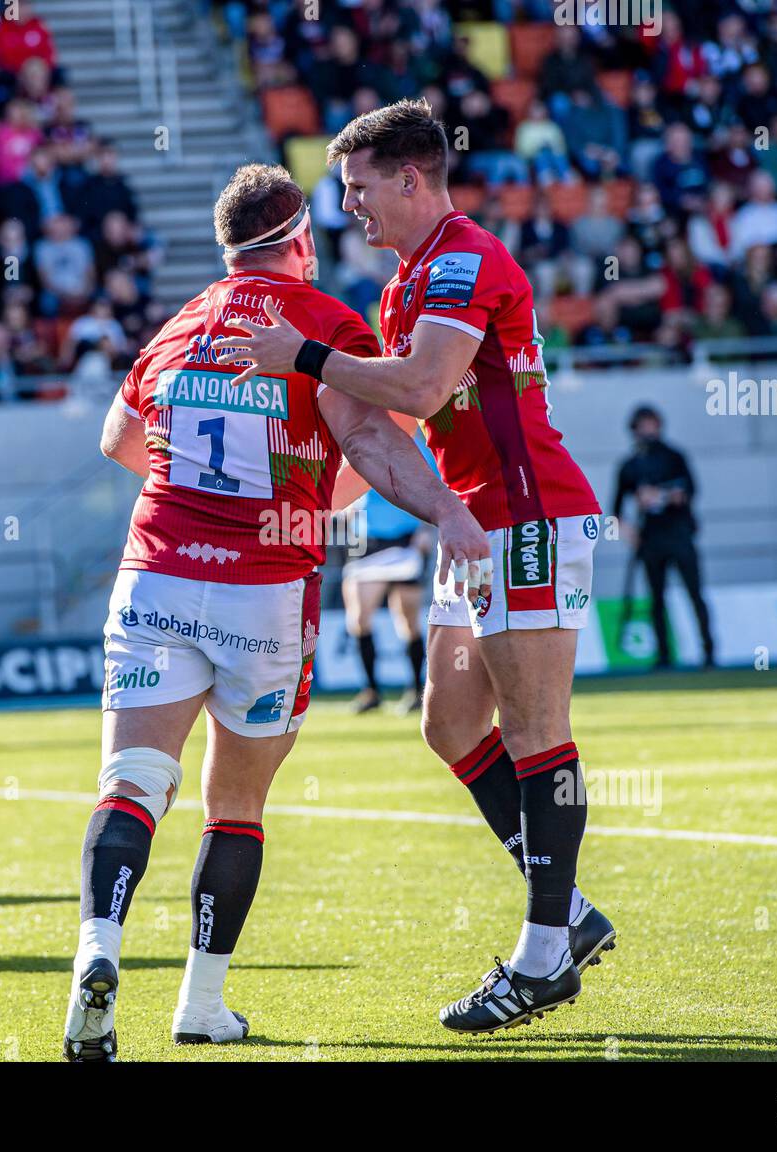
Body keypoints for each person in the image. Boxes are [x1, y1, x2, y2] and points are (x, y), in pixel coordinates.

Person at [63, 163, 489, 1062]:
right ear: (299, 240)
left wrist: (202, 496)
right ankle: (201, 1003)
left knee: (132, 785)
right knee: (236, 804)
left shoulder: (179, 325)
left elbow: (118, 441)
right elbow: (370, 440)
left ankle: (96, 955)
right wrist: (446, 509)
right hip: (263, 592)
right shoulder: (322, 322)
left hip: (158, 575)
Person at [214, 99, 616, 1035]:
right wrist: (289, 503)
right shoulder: (406, 285)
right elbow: (388, 439)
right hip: (471, 524)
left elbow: (425, 385)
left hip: (528, 515)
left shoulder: (465, 256)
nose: (347, 207)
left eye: (356, 189)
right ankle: (569, 913)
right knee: (448, 722)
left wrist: (305, 357)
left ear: (411, 179)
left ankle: (543, 953)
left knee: (534, 728)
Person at [612, 406, 715, 669]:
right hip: (651, 539)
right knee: (656, 599)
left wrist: (660, 496)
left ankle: (709, 652)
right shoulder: (629, 465)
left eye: (652, 424)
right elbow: (614, 512)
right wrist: (627, 534)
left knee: (695, 594)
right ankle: (664, 655)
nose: (648, 431)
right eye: (643, 426)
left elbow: (690, 491)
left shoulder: (674, 457)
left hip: (679, 534)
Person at [341, 480, 431, 715]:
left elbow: (431, 487)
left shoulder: (418, 446)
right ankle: (371, 691)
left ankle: (416, 690)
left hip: (405, 540)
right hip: (366, 543)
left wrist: (424, 528)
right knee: (358, 620)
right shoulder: (352, 449)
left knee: (408, 622)